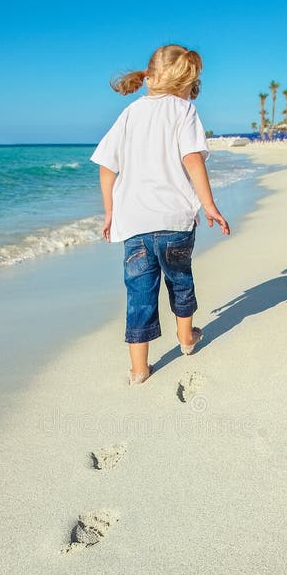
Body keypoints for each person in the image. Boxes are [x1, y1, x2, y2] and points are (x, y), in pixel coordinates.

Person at [91, 44, 230, 385]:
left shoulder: (129, 114)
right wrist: (208, 204)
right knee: (180, 279)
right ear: (186, 82)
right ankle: (186, 340)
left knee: (139, 293)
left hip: (135, 224)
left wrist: (110, 213)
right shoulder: (184, 111)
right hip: (174, 222)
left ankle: (139, 370)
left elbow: (107, 168)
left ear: (150, 77)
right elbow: (192, 160)